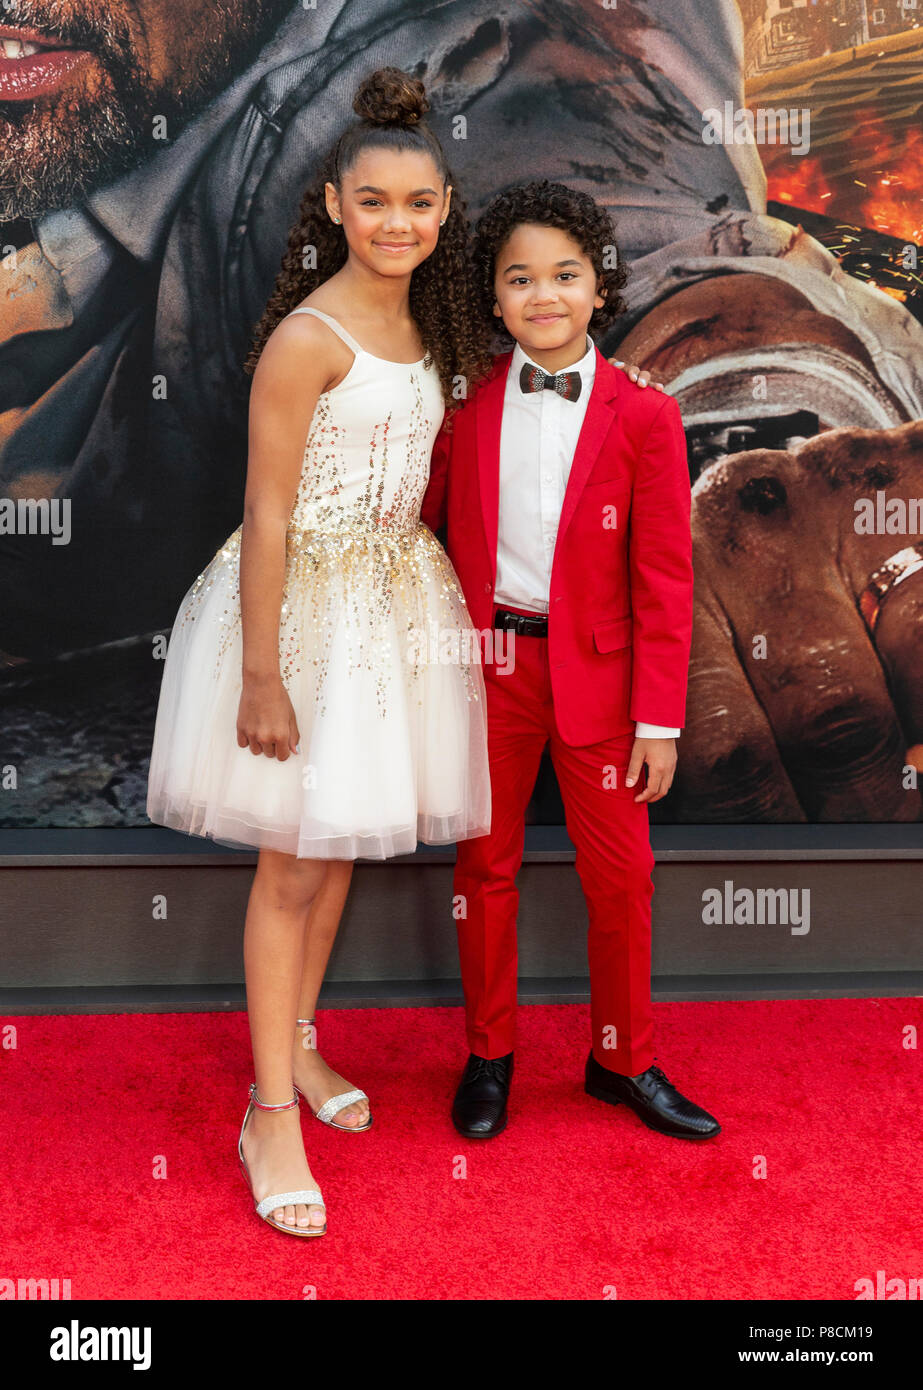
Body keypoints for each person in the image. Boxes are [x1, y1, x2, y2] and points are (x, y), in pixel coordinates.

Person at [145, 67, 497, 1237]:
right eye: (373, 201)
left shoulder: (428, 322)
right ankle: (267, 1112)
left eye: (418, 203)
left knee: (340, 850)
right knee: (290, 867)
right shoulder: (305, 338)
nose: (397, 222)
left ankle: (300, 1048)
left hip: (393, 610)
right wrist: (261, 673)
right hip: (303, 616)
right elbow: (271, 513)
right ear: (333, 206)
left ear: (443, 212)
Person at [421, 179, 721, 1141]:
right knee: (483, 872)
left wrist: (658, 721)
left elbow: (665, 582)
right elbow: (425, 537)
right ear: (495, 296)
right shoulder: (464, 404)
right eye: (518, 279)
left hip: (600, 681)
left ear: (599, 286)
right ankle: (489, 1055)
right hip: (489, 668)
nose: (541, 295)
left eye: (563, 275)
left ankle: (621, 1059)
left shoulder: (645, 415)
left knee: (622, 880)